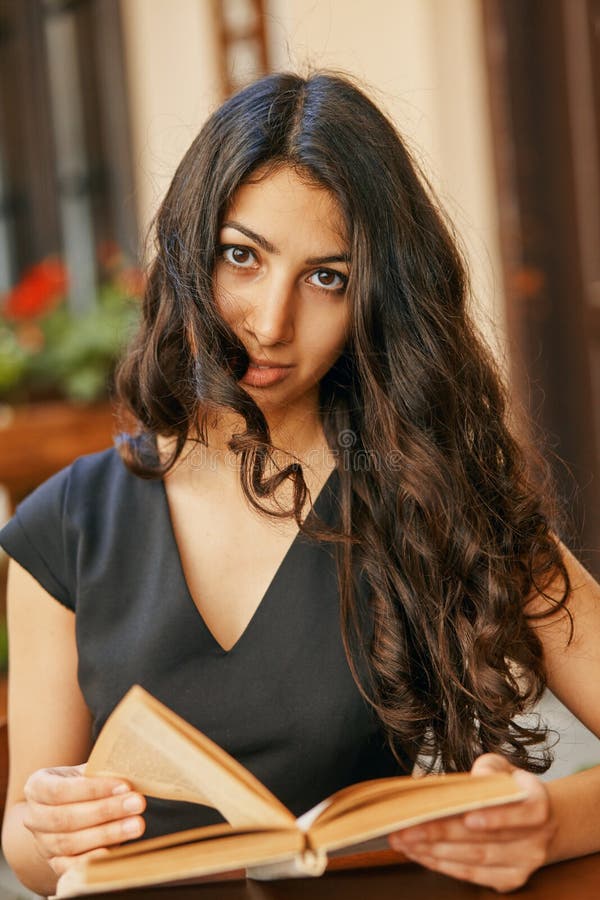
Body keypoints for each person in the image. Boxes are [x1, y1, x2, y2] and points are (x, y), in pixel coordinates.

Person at [1, 70, 599, 897]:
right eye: (241, 257)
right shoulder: (64, 525)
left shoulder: (431, 492)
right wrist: (51, 821)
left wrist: (552, 823)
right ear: (188, 251)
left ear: (376, 300)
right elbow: (27, 849)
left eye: (329, 278)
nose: (271, 322)